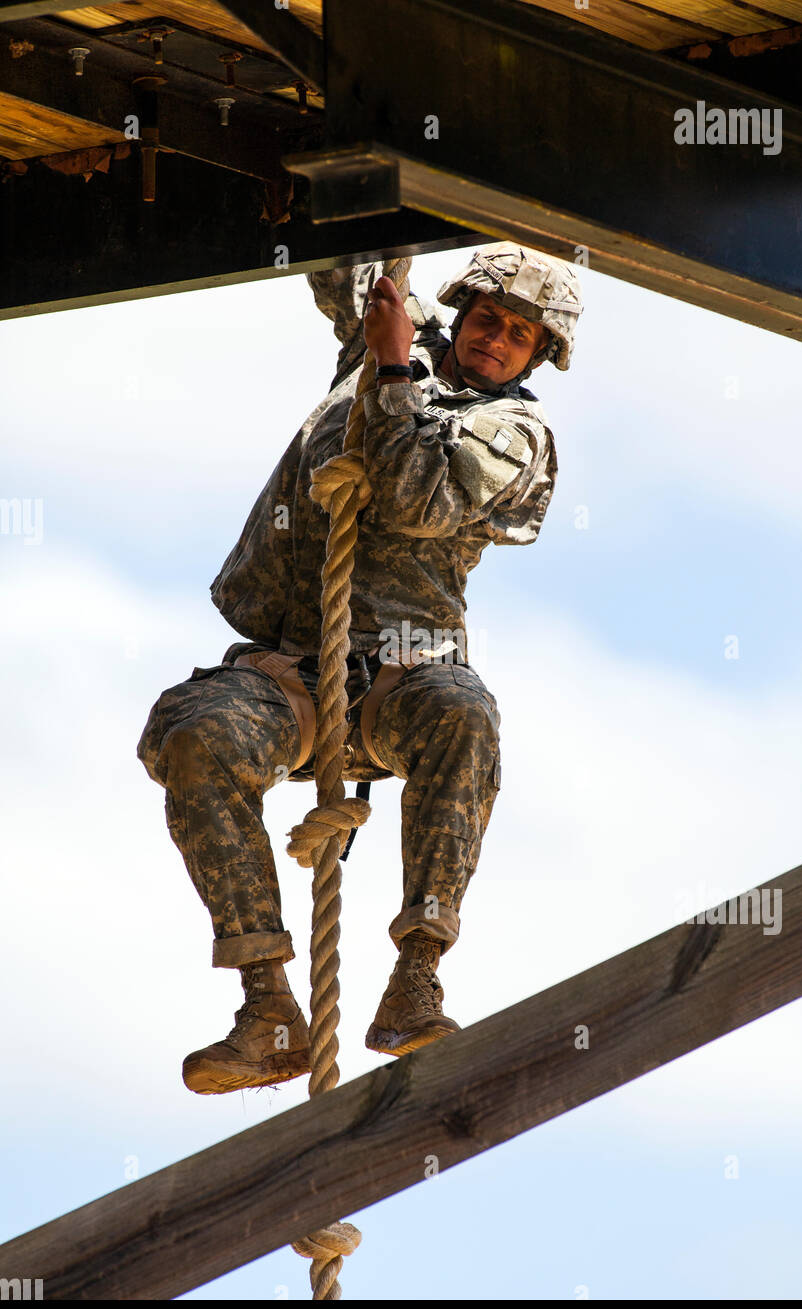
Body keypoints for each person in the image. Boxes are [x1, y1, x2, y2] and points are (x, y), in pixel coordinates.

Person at [136, 242, 583, 1095]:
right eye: (489, 320)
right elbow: (346, 261)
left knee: (466, 715)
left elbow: (416, 497)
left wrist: (386, 370)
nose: (497, 341)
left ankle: (417, 977)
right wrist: (382, 218)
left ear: (537, 357)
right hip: (291, 676)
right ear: (463, 317)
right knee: (193, 733)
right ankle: (267, 1010)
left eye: (520, 337)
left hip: (404, 679)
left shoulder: (514, 433)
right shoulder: (396, 338)